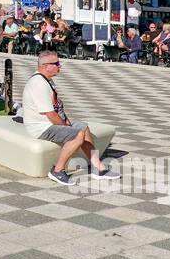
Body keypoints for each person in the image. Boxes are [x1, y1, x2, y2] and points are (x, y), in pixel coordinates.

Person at [18, 53, 119, 187]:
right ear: (46, 66)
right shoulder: (39, 84)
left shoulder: (46, 80)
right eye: (56, 64)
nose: (60, 66)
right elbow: (51, 115)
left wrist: (67, 124)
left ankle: (98, 167)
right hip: (40, 127)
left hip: (48, 122)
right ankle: (57, 170)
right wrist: (68, 127)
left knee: (83, 127)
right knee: (78, 134)